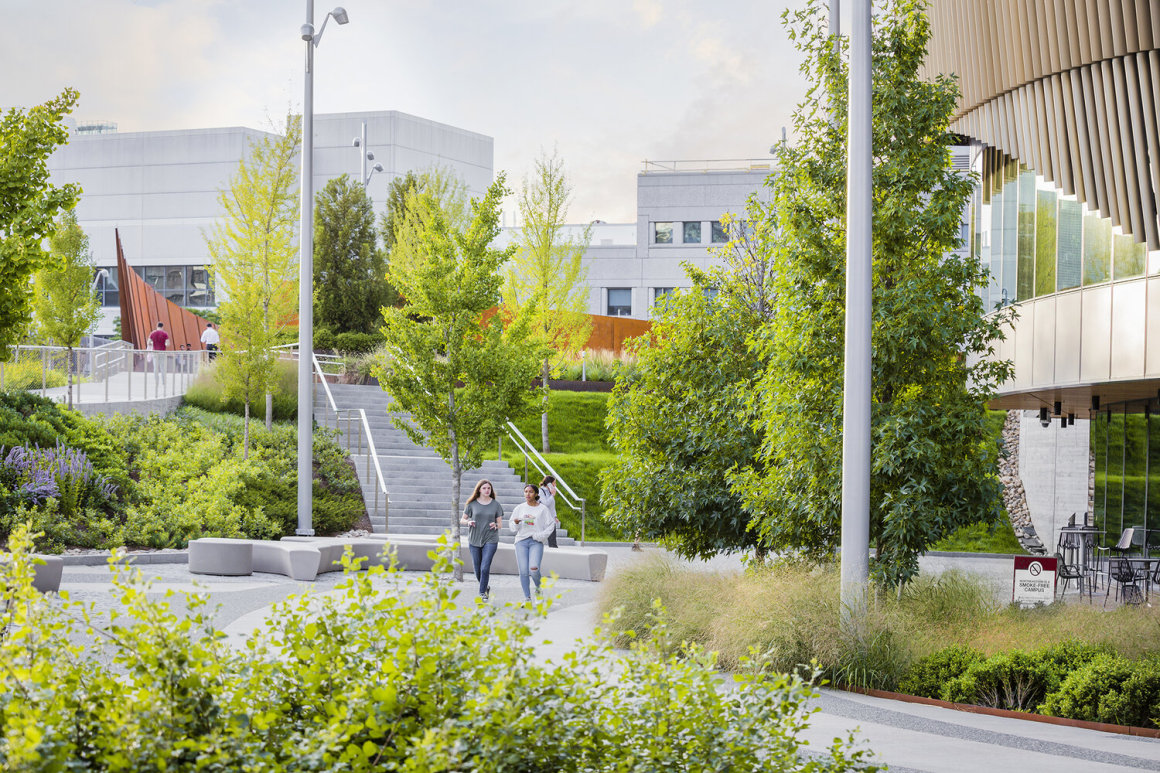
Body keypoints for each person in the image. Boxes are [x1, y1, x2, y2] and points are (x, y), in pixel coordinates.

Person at [460, 479, 503, 601]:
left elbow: (500, 524)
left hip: (491, 538)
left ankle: (482, 593)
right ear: (479, 489)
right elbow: (462, 520)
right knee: (477, 569)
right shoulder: (472, 504)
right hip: (474, 539)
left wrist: (495, 525)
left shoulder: (496, 505)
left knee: (485, 567)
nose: (487, 490)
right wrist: (468, 522)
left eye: (489, 488)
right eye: (484, 488)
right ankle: (485, 587)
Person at [510, 483, 554, 602]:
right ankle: (527, 598)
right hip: (521, 541)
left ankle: (538, 589)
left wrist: (540, 536)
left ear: (536, 494)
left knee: (533, 568)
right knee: (523, 571)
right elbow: (512, 528)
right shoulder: (519, 508)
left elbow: (551, 525)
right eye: (526, 492)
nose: (527, 494)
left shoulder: (543, 509)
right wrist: (516, 523)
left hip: (536, 542)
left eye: (530, 492)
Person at [539, 475, 560, 548]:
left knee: (553, 542)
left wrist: (555, 516)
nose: (555, 485)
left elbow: (552, 507)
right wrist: (552, 495)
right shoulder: (541, 491)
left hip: (551, 518)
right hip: (544, 518)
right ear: (549, 483)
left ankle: (554, 555)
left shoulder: (549, 492)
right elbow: (545, 503)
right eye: (554, 483)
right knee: (542, 540)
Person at [148, 322, 169, 388]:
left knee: (155, 368)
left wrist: (153, 343)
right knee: (163, 367)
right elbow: (168, 344)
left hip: (155, 352)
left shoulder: (153, 333)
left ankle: (156, 382)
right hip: (162, 352)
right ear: (162, 326)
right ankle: (164, 382)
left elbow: (149, 342)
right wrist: (163, 344)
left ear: (157, 326)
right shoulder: (165, 334)